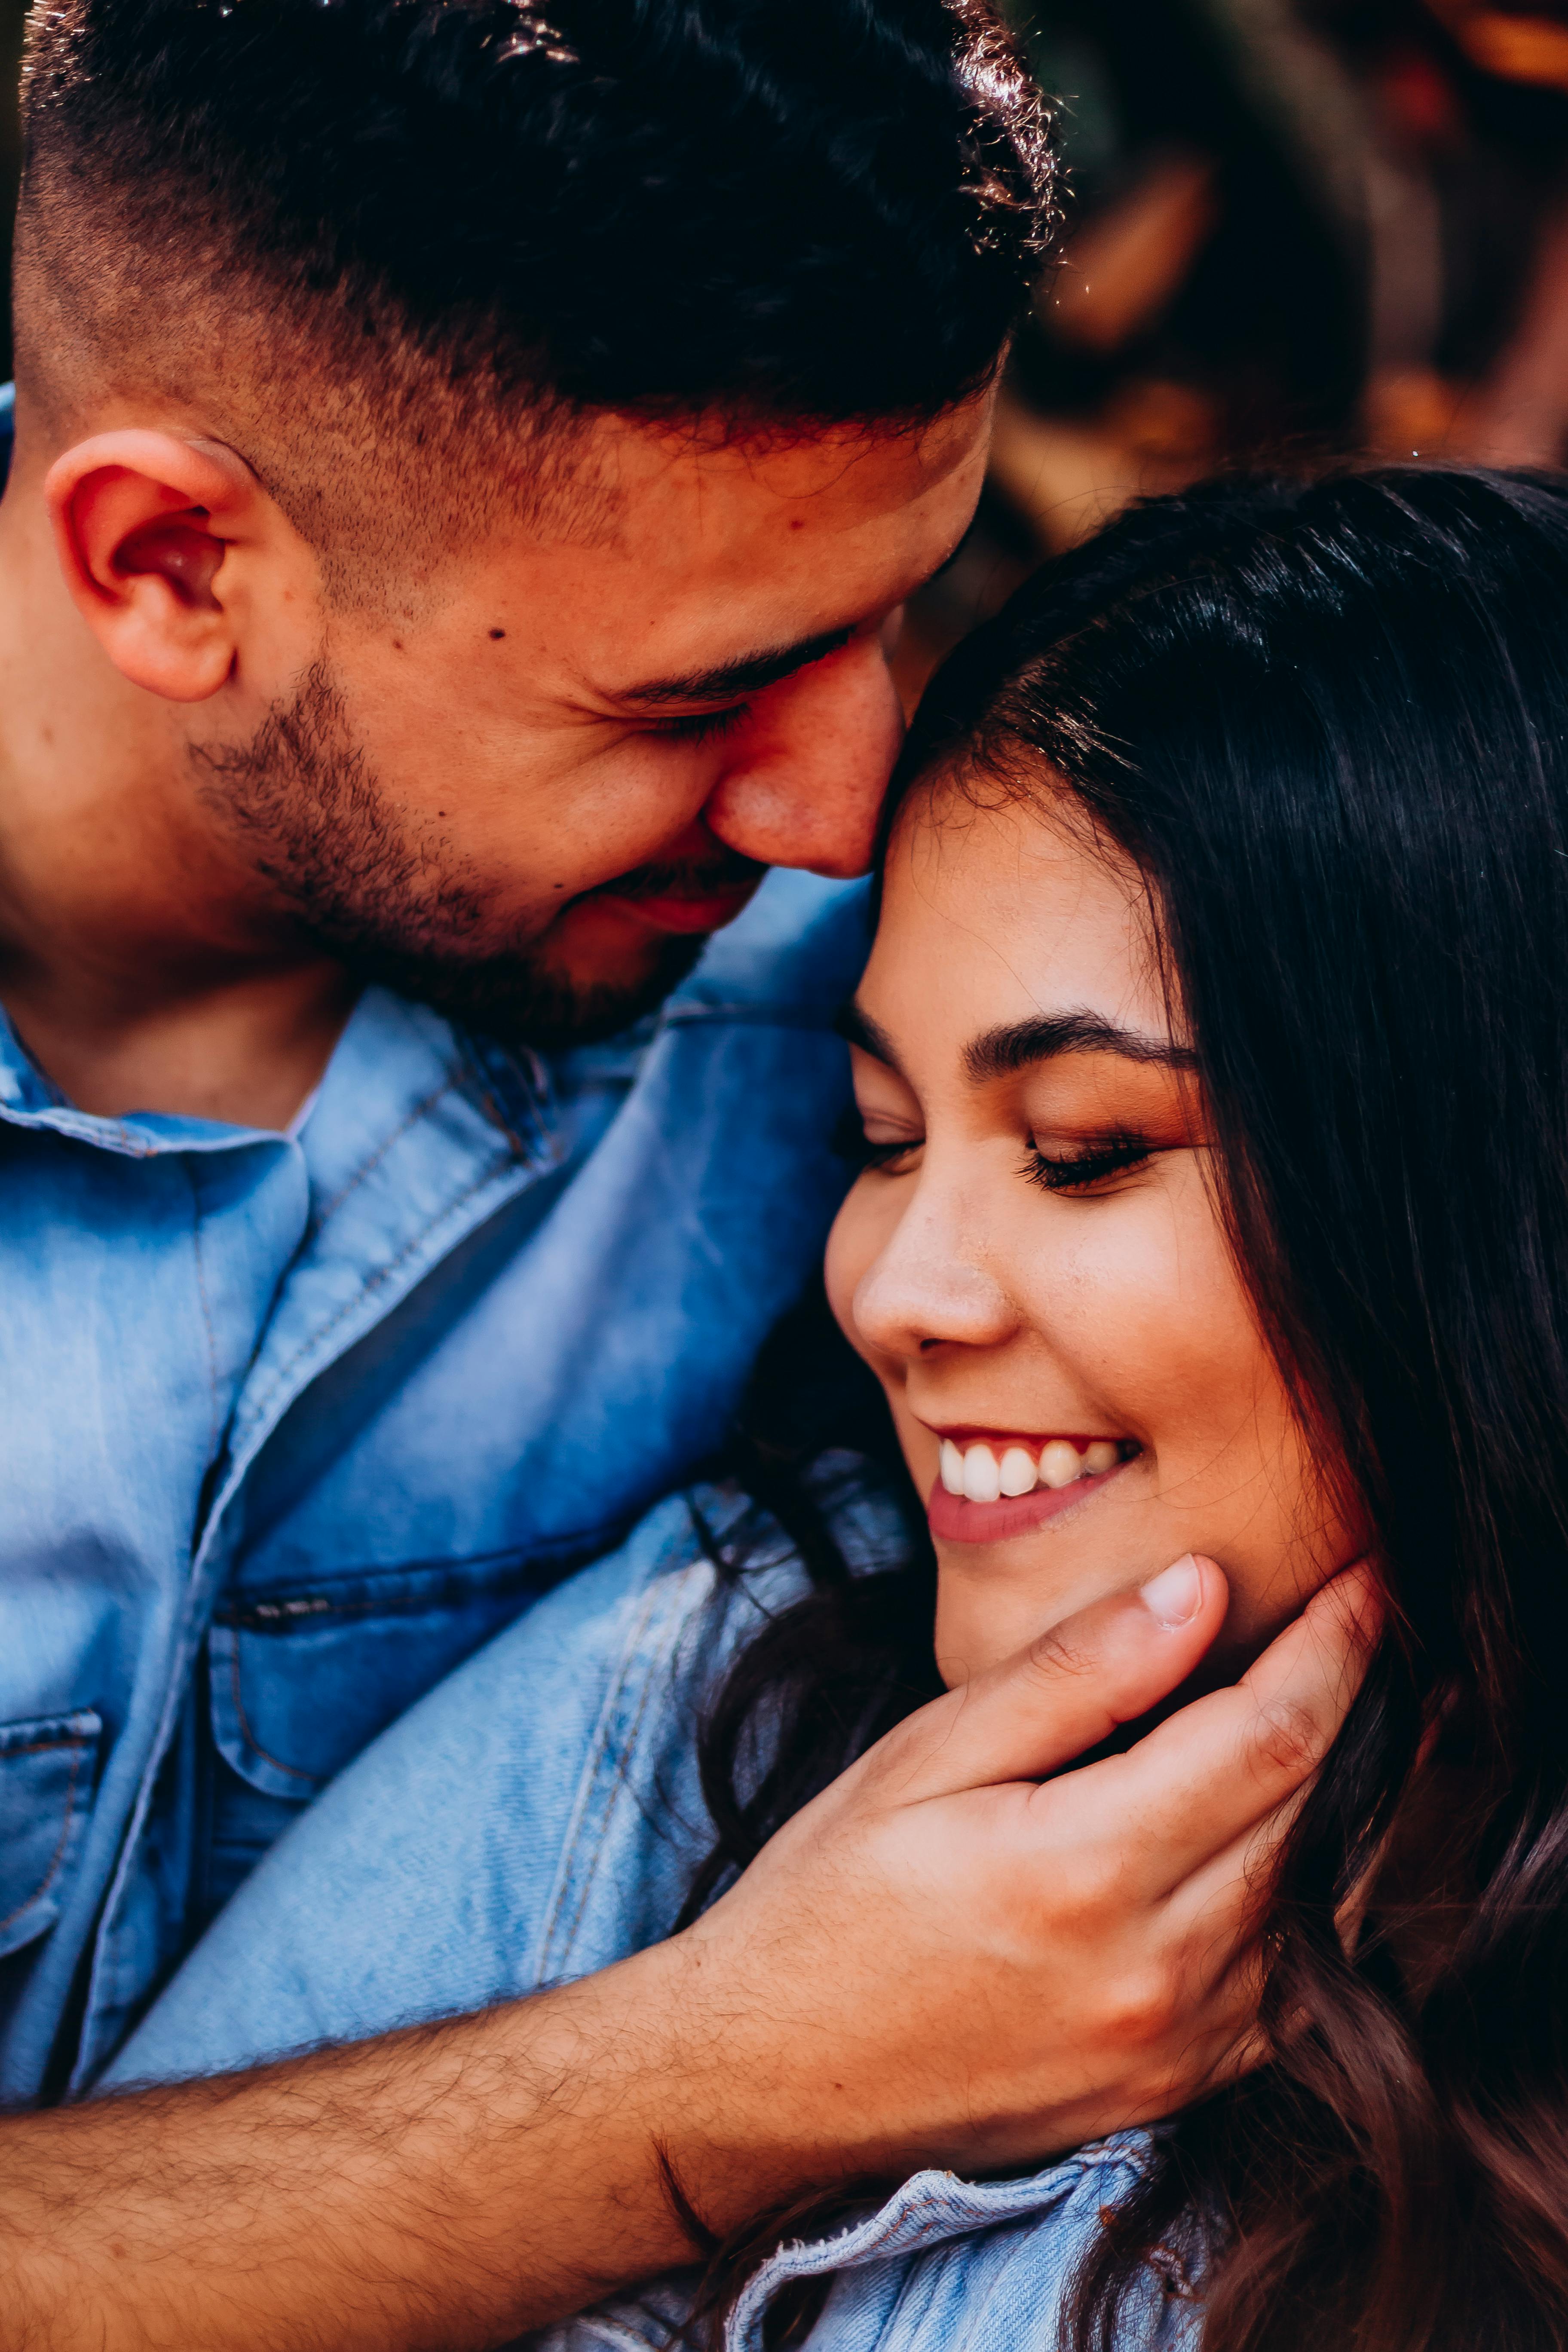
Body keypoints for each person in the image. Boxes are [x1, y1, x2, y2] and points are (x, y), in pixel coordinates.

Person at [0, 3, 1377, 2345]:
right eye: (689, 701)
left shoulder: (868, 1005)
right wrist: (720, 2076)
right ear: (167, 565)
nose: (837, 812)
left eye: (891, 616)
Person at [117, 462, 1568, 2352]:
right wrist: (718, 2075)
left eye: (1084, 1149)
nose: (894, 1287)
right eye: (884, 1137)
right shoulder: (704, 1704)